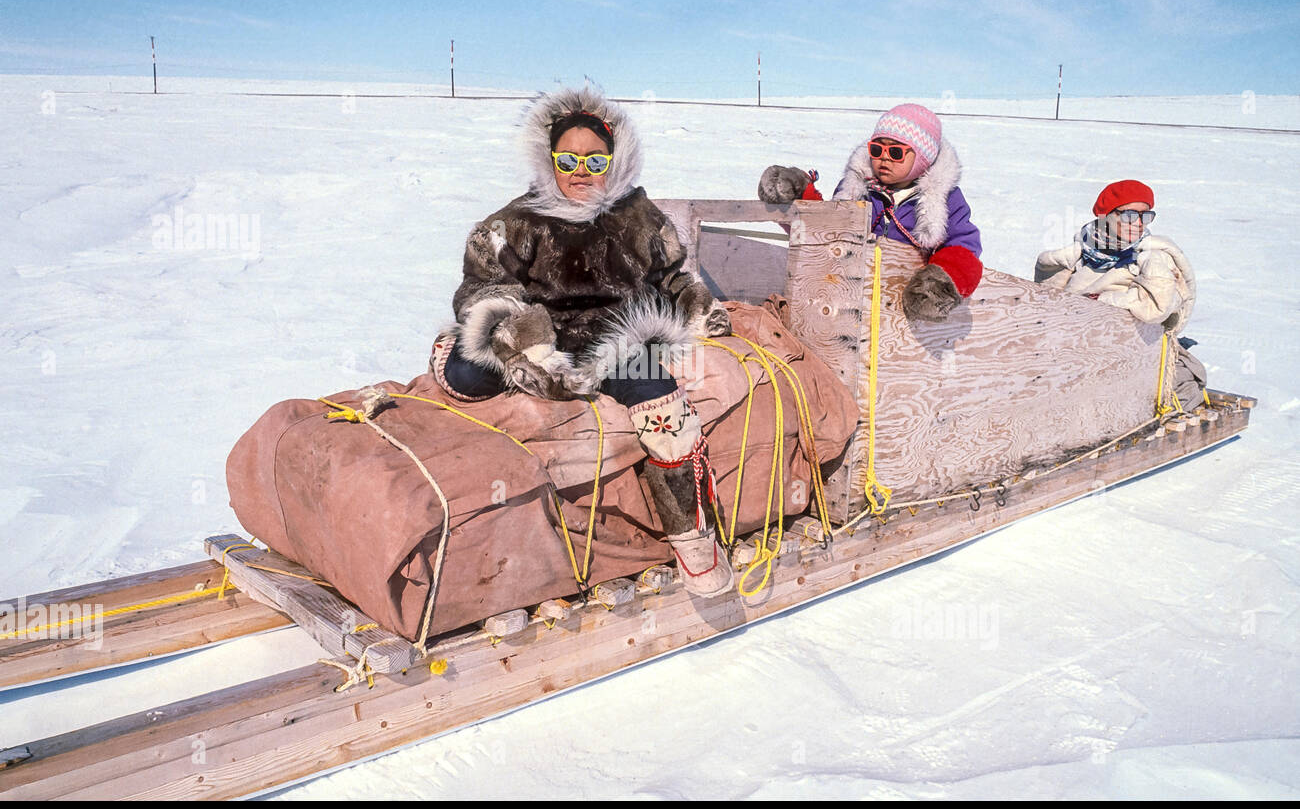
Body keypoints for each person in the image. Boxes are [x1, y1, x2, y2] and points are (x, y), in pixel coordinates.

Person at [429, 87, 735, 597]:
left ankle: (690, 529)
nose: (580, 169)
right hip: (537, 336)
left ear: (614, 161)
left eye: (595, 158)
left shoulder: (639, 218)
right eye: (567, 158)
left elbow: (670, 277)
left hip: (610, 338)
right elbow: (483, 284)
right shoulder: (516, 221)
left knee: (655, 392)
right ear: (549, 159)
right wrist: (520, 334)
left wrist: (696, 305)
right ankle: (467, 359)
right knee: (468, 374)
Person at [757, 103, 984, 321]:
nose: (884, 157)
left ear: (922, 159)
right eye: (877, 149)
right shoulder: (857, 188)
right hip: (845, 296)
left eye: (896, 152)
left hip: (899, 309)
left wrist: (940, 284)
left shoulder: (946, 199)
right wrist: (800, 199)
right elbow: (827, 230)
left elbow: (964, 245)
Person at [1035, 179, 1204, 407]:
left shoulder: (1153, 257)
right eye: (1128, 215)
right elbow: (1049, 299)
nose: (1138, 223)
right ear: (1106, 215)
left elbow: (1156, 308)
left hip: (1134, 353)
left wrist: (1101, 302)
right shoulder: (1082, 253)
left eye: (1145, 215)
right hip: (1076, 349)